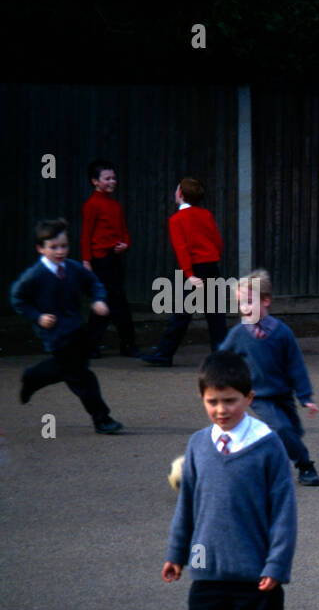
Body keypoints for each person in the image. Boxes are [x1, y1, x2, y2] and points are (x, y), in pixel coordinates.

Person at [153, 350, 297, 610]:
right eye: (213, 401)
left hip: (256, 581)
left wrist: (276, 567)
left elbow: (284, 514)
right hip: (208, 576)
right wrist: (176, 554)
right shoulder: (198, 445)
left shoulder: (268, 446)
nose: (221, 409)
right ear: (202, 399)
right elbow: (188, 506)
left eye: (230, 400)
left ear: (249, 398)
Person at [11, 218, 123, 434]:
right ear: (40, 249)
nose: (60, 251)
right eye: (53, 247)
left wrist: (98, 299)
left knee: (68, 370)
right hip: (55, 335)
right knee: (82, 377)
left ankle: (33, 377)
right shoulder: (35, 276)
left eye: (64, 246)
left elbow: (93, 282)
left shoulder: (72, 268)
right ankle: (102, 419)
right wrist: (38, 316)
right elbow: (18, 298)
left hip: (75, 329)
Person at [219, 269, 319, 486]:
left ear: (266, 301)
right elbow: (222, 358)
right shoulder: (239, 334)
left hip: (283, 393)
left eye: (249, 302)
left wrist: (305, 397)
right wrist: (214, 381)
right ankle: (305, 466)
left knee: (293, 431)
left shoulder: (281, 332)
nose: (245, 308)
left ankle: (267, 457)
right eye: (241, 304)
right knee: (282, 429)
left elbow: (296, 366)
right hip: (258, 395)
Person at [142, 177, 228, 365]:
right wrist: (212, 259)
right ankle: (221, 355)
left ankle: (164, 354)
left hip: (194, 269)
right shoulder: (206, 215)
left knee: (181, 314)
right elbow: (218, 242)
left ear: (180, 194)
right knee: (215, 315)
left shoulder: (176, 220)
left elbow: (182, 250)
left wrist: (189, 275)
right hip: (211, 266)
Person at [80, 159, 140, 357]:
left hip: (115, 258)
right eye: (107, 178)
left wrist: (126, 244)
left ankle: (92, 344)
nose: (112, 182)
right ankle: (126, 344)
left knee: (109, 300)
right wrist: (86, 261)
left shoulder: (116, 205)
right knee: (115, 301)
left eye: (113, 178)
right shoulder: (91, 205)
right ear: (95, 182)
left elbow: (123, 230)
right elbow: (86, 234)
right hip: (100, 259)